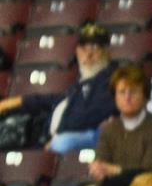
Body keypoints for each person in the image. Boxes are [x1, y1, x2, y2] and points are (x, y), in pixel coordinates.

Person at [0, 22, 115, 155]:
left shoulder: (111, 81)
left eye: (95, 47)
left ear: (107, 51)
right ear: (77, 51)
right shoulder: (86, 78)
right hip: (39, 130)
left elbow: (91, 116)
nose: (88, 54)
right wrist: (17, 101)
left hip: (57, 141)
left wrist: (57, 136)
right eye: (83, 48)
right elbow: (60, 100)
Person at [88, 67, 152, 186]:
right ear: (115, 97)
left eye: (133, 92)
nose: (127, 98)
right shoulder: (109, 129)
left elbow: (149, 175)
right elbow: (101, 166)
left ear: (145, 96)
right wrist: (97, 170)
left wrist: (115, 170)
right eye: (122, 92)